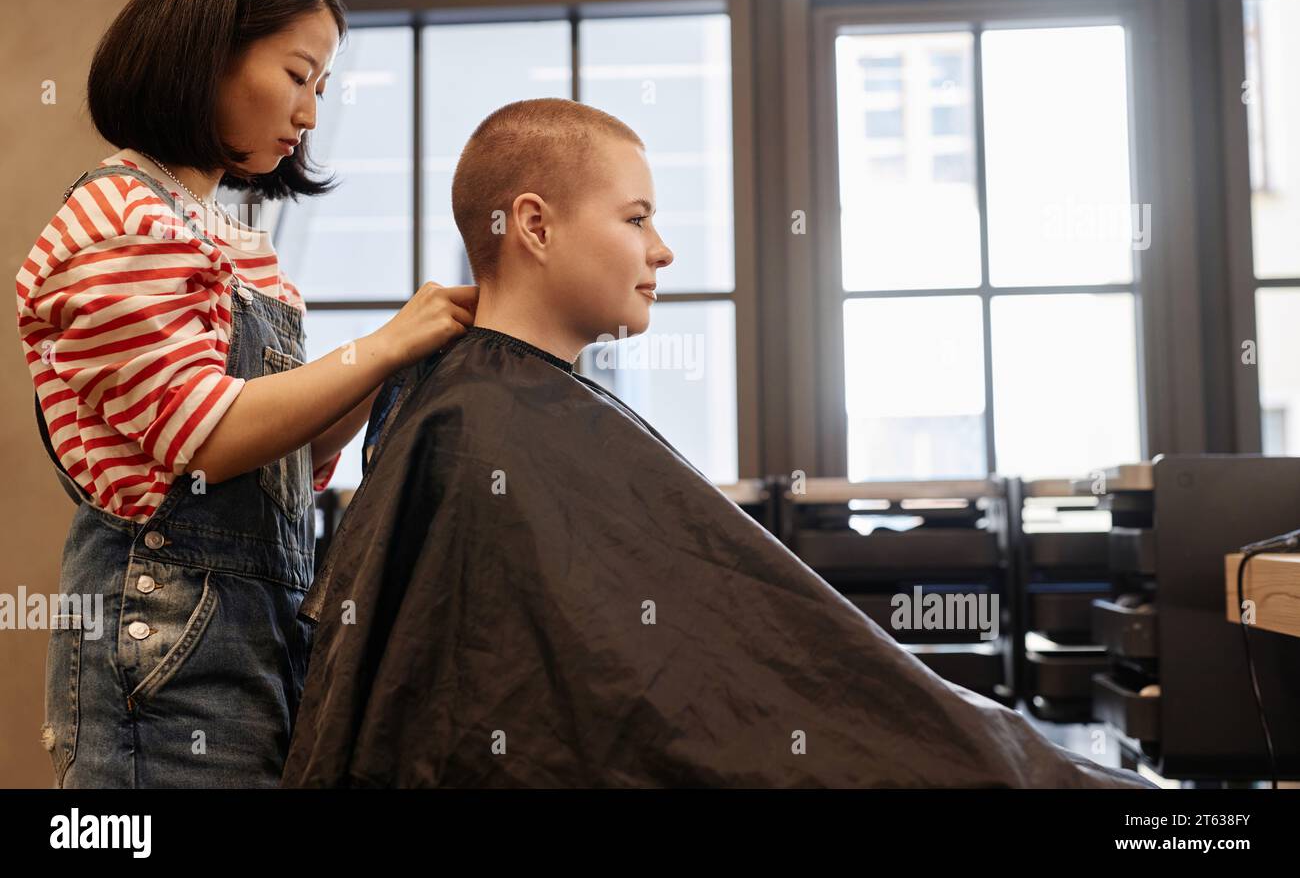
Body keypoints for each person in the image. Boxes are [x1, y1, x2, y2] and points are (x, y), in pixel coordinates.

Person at [281, 98, 1152, 788]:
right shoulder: (478, 425)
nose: (663, 250)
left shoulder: (487, 407)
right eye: (636, 219)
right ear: (536, 228)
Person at [16, 0, 476, 788]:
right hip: (163, 639)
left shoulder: (238, 245)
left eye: (322, 89)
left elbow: (286, 455)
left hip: (260, 634)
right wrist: (383, 343)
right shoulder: (125, 220)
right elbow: (209, 437)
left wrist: (394, 363)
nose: (309, 115)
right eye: (298, 77)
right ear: (208, 51)